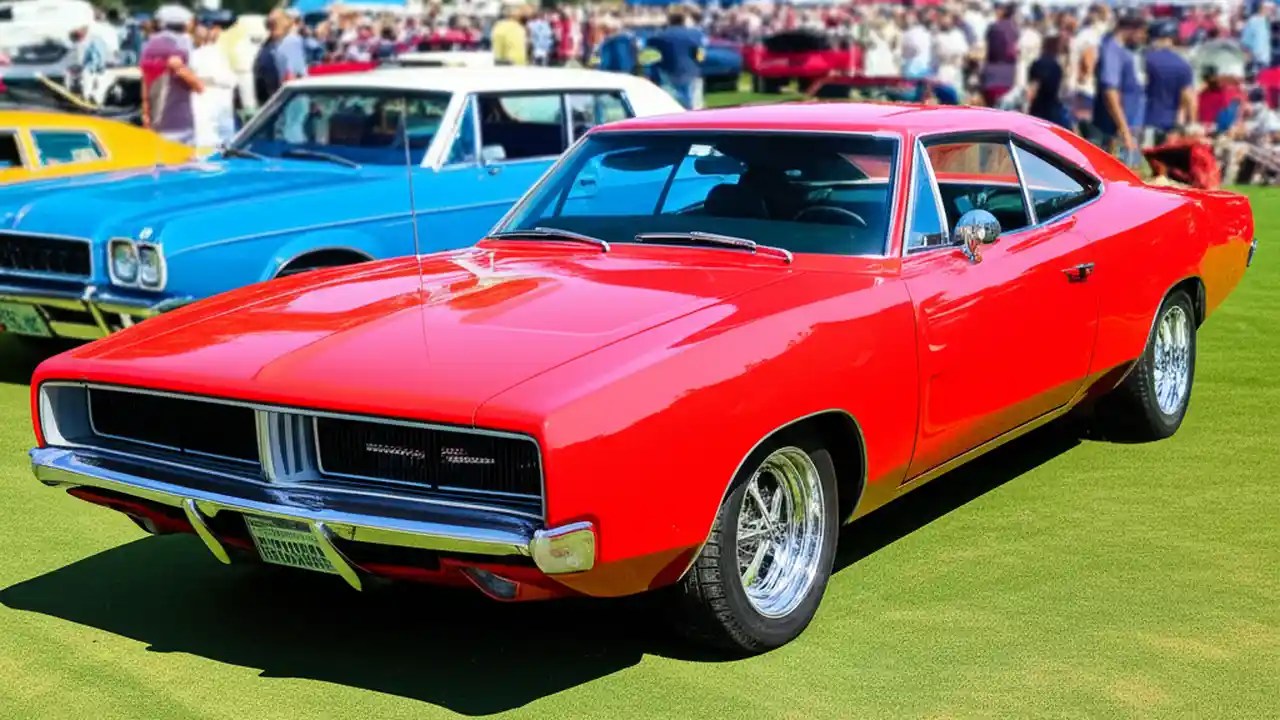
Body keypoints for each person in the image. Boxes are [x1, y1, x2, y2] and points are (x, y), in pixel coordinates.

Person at [140, 5, 203, 144]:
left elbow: (145, 84)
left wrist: (145, 115)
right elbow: (198, 87)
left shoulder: (148, 46)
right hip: (179, 122)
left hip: (155, 121)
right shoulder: (182, 44)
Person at [1093, 15, 1147, 166]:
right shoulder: (1112, 50)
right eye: (1142, 32)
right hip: (1118, 130)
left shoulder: (1122, 49)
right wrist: (1125, 131)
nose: (1143, 37)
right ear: (1131, 29)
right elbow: (1110, 92)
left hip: (1129, 126)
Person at [1144, 22, 1196, 146]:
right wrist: (1191, 124)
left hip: (1144, 122)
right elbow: (1189, 99)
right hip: (1170, 124)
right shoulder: (1183, 64)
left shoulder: (1146, 59)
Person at [190, 24, 236, 150]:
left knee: (207, 145)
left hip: (205, 109)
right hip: (224, 106)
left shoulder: (194, 56)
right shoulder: (222, 54)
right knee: (226, 143)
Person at [646, 10, 704, 110]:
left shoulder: (658, 37)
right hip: (691, 72)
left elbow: (651, 59)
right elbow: (699, 55)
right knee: (694, 105)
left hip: (668, 73)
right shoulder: (695, 34)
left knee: (671, 104)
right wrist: (698, 65)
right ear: (684, 20)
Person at [1026, 34, 1071, 129]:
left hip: (1038, 108)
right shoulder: (1056, 66)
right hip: (1051, 108)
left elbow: (1032, 88)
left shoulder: (1037, 63)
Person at [982, 4, 1019, 106]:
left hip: (994, 76)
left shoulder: (995, 28)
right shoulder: (1014, 29)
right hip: (1009, 76)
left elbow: (990, 52)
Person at [1241, 1, 1275, 76]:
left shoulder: (1269, 22)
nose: (1272, 12)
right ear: (1263, 9)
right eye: (1270, 9)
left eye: (1273, 10)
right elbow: (1246, 42)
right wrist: (1248, 58)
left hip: (1268, 61)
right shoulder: (1253, 21)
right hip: (1257, 61)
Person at [491, 2, 528, 66]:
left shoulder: (498, 26)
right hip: (515, 66)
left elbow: (498, 56)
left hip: (503, 66)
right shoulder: (517, 28)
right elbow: (519, 56)